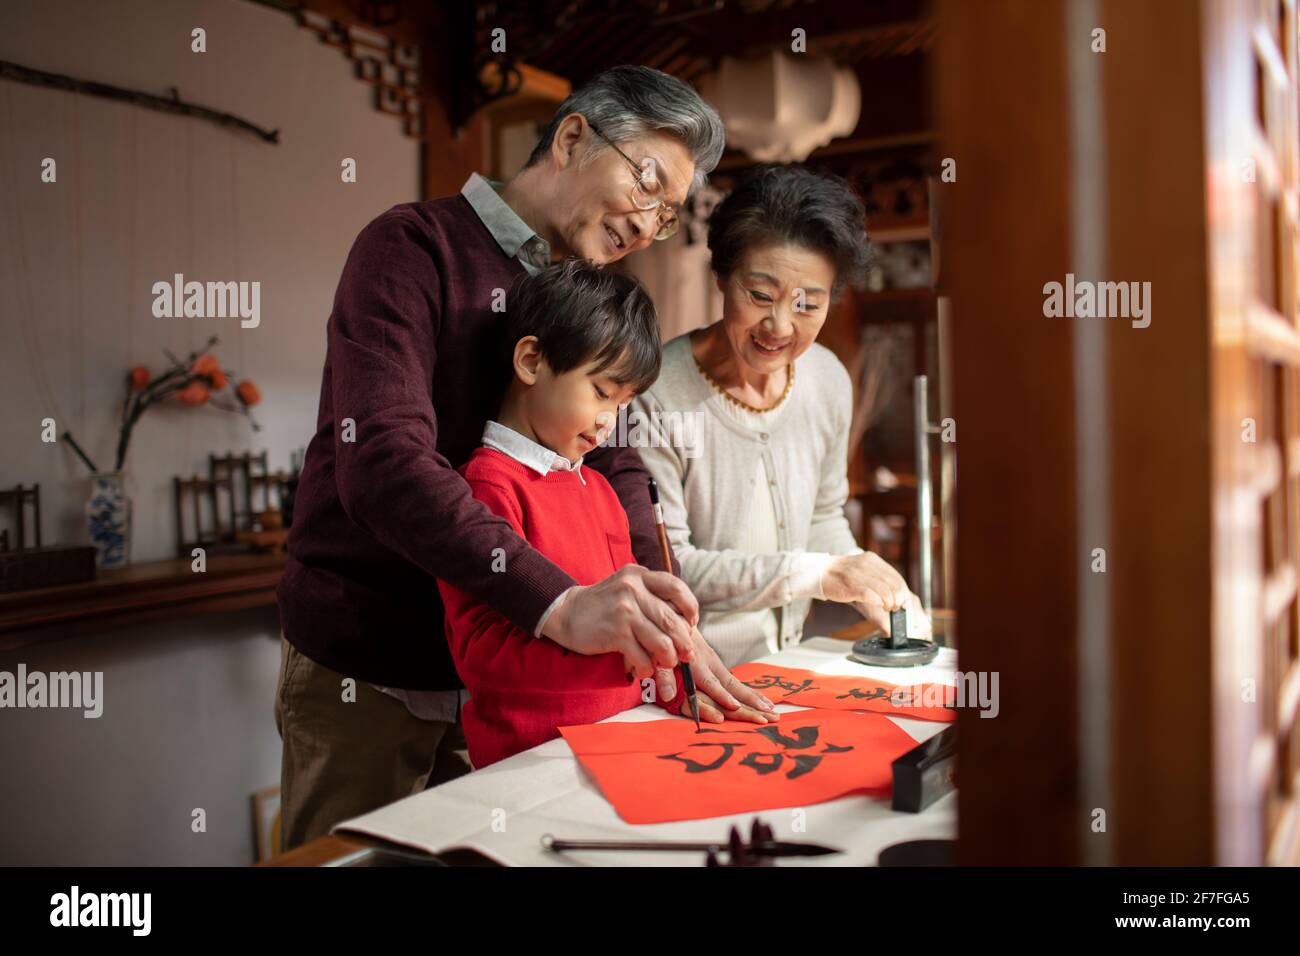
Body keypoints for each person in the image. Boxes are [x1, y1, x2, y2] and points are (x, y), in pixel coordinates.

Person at [274, 66, 772, 850]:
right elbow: (382, 461)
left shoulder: (586, 289)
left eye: (670, 213)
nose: (649, 223)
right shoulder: (413, 247)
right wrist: (561, 604)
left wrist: (664, 616)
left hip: (514, 675)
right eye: (647, 182)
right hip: (372, 657)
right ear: (572, 136)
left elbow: (620, 463)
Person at [439, 260, 776, 768]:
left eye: (623, 404)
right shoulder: (487, 486)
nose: (607, 422)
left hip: (623, 743)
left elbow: (632, 616)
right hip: (531, 763)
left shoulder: (599, 486)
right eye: (600, 392)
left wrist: (671, 681)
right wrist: (627, 659)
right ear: (531, 361)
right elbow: (483, 656)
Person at [632, 164, 931, 669]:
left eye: (808, 304)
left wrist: (867, 587)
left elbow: (821, 515)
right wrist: (819, 574)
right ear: (722, 278)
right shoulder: (657, 394)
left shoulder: (827, 379)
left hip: (788, 665)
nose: (780, 325)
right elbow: (670, 565)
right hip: (687, 676)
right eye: (760, 296)